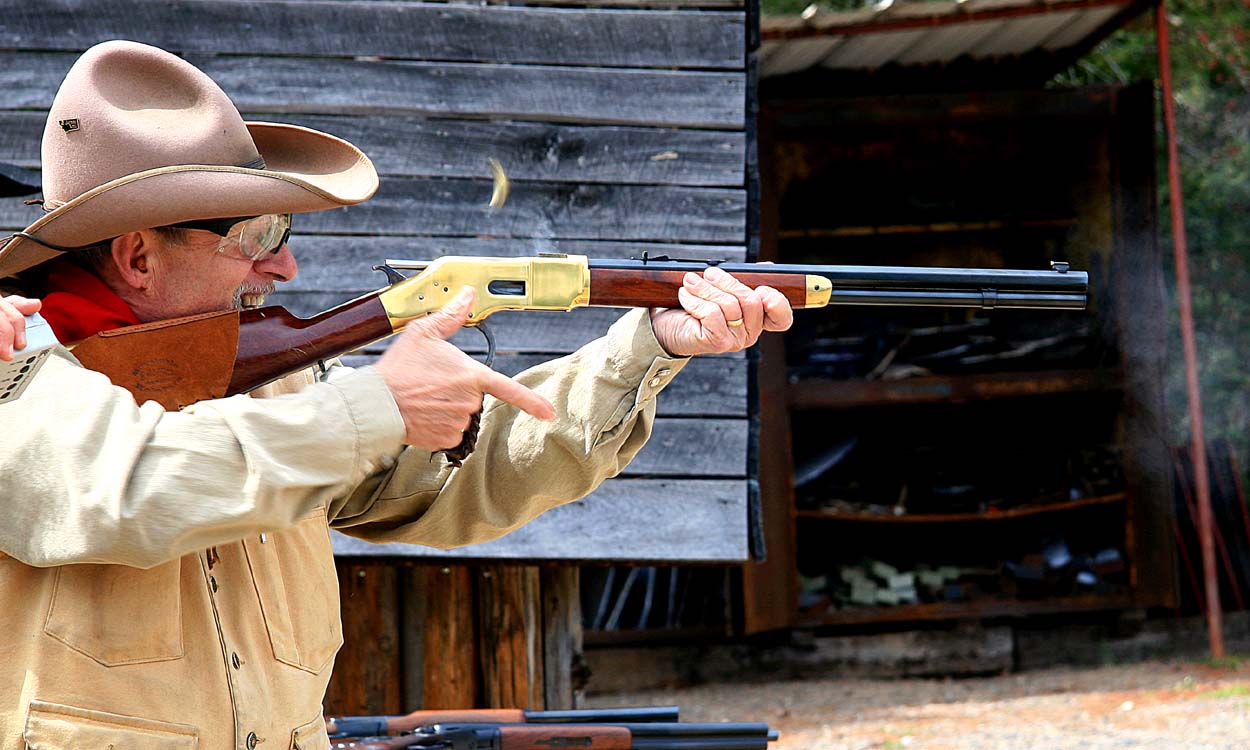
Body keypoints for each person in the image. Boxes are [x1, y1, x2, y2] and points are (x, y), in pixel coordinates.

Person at [0, 41, 792, 750]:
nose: (285, 269)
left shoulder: (273, 383)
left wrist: (648, 347)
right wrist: (378, 403)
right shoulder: (13, 370)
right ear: (138, 256)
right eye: (259, 237)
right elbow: (134, 485)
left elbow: (460, 481)